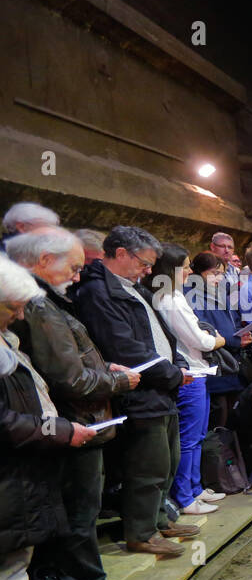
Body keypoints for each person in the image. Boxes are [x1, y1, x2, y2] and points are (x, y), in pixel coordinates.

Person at [5, 228, 143, 580]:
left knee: (82, 510)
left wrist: (102, 367)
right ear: (45, 261)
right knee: (80, 513)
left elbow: (73, 362)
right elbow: (69, 379)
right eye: (75, 267)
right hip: (74, 423)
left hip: (73, 422)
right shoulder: (38, 307)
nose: (79, 276)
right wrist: (117, 379)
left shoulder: (49, 303)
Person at [0, 255, 98, 580]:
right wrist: (57, 431)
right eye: (11, 308)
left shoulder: (6, 338)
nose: (19, 316)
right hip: (11, 469)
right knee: (8, 564)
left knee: (16, 560)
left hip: (23, 466)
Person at [73, 226, 196, 557]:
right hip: (140, 392)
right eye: (144, 262)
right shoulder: (98, 293)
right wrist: (170, 373)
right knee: (147, 466)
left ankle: (158, 520)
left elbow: (158, 335)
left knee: (167, 461)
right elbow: (125, 347)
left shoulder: (132, 287)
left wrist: (178, 364)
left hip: (161, 389)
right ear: (121, 254)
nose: (149, 270)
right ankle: (140, 533)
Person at [152, 244, 228, 514]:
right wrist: (217, 340)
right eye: (184, 267)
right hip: (190, 374)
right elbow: (197, 338)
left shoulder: (175, 295)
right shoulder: (168, 299)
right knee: (188, 438)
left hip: (199, 369)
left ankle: (195, 488)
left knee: (196, 435)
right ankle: (184, 497)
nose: (188, 271)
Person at [187, 250, 251, 429]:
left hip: (231, 362)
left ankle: (231, 454)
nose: (219, 278)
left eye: (221, 274)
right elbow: (204, 329)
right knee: (218, 415)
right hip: (214, 364)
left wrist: (242, 332)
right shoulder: (192, 296)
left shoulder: (221, 294)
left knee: (233, 413)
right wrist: (235, 340)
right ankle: (219, 453)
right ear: (198, 273)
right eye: (214, 273)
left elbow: (234, 319)